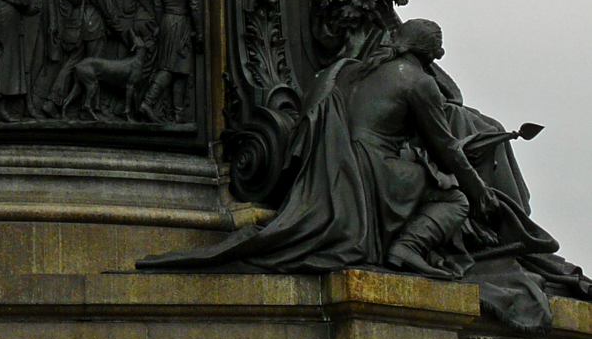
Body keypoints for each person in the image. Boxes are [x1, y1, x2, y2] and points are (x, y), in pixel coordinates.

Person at [137, 19, 494, 279]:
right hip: (375, 173)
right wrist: (478, 189)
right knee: (454, 199)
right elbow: (446, 148)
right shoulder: (420, 82)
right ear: (430, 54)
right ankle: (409, 247)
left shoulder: (358, 70)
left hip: (338, 168)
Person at [139, 0, 202, 123]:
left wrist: (162, 27)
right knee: (170, 67)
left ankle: (178, 114)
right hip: (181, 22)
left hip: (166, 22)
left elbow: (158, 7)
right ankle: (148, 102)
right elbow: (194, 6)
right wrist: (199, 32)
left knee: (180, 69)